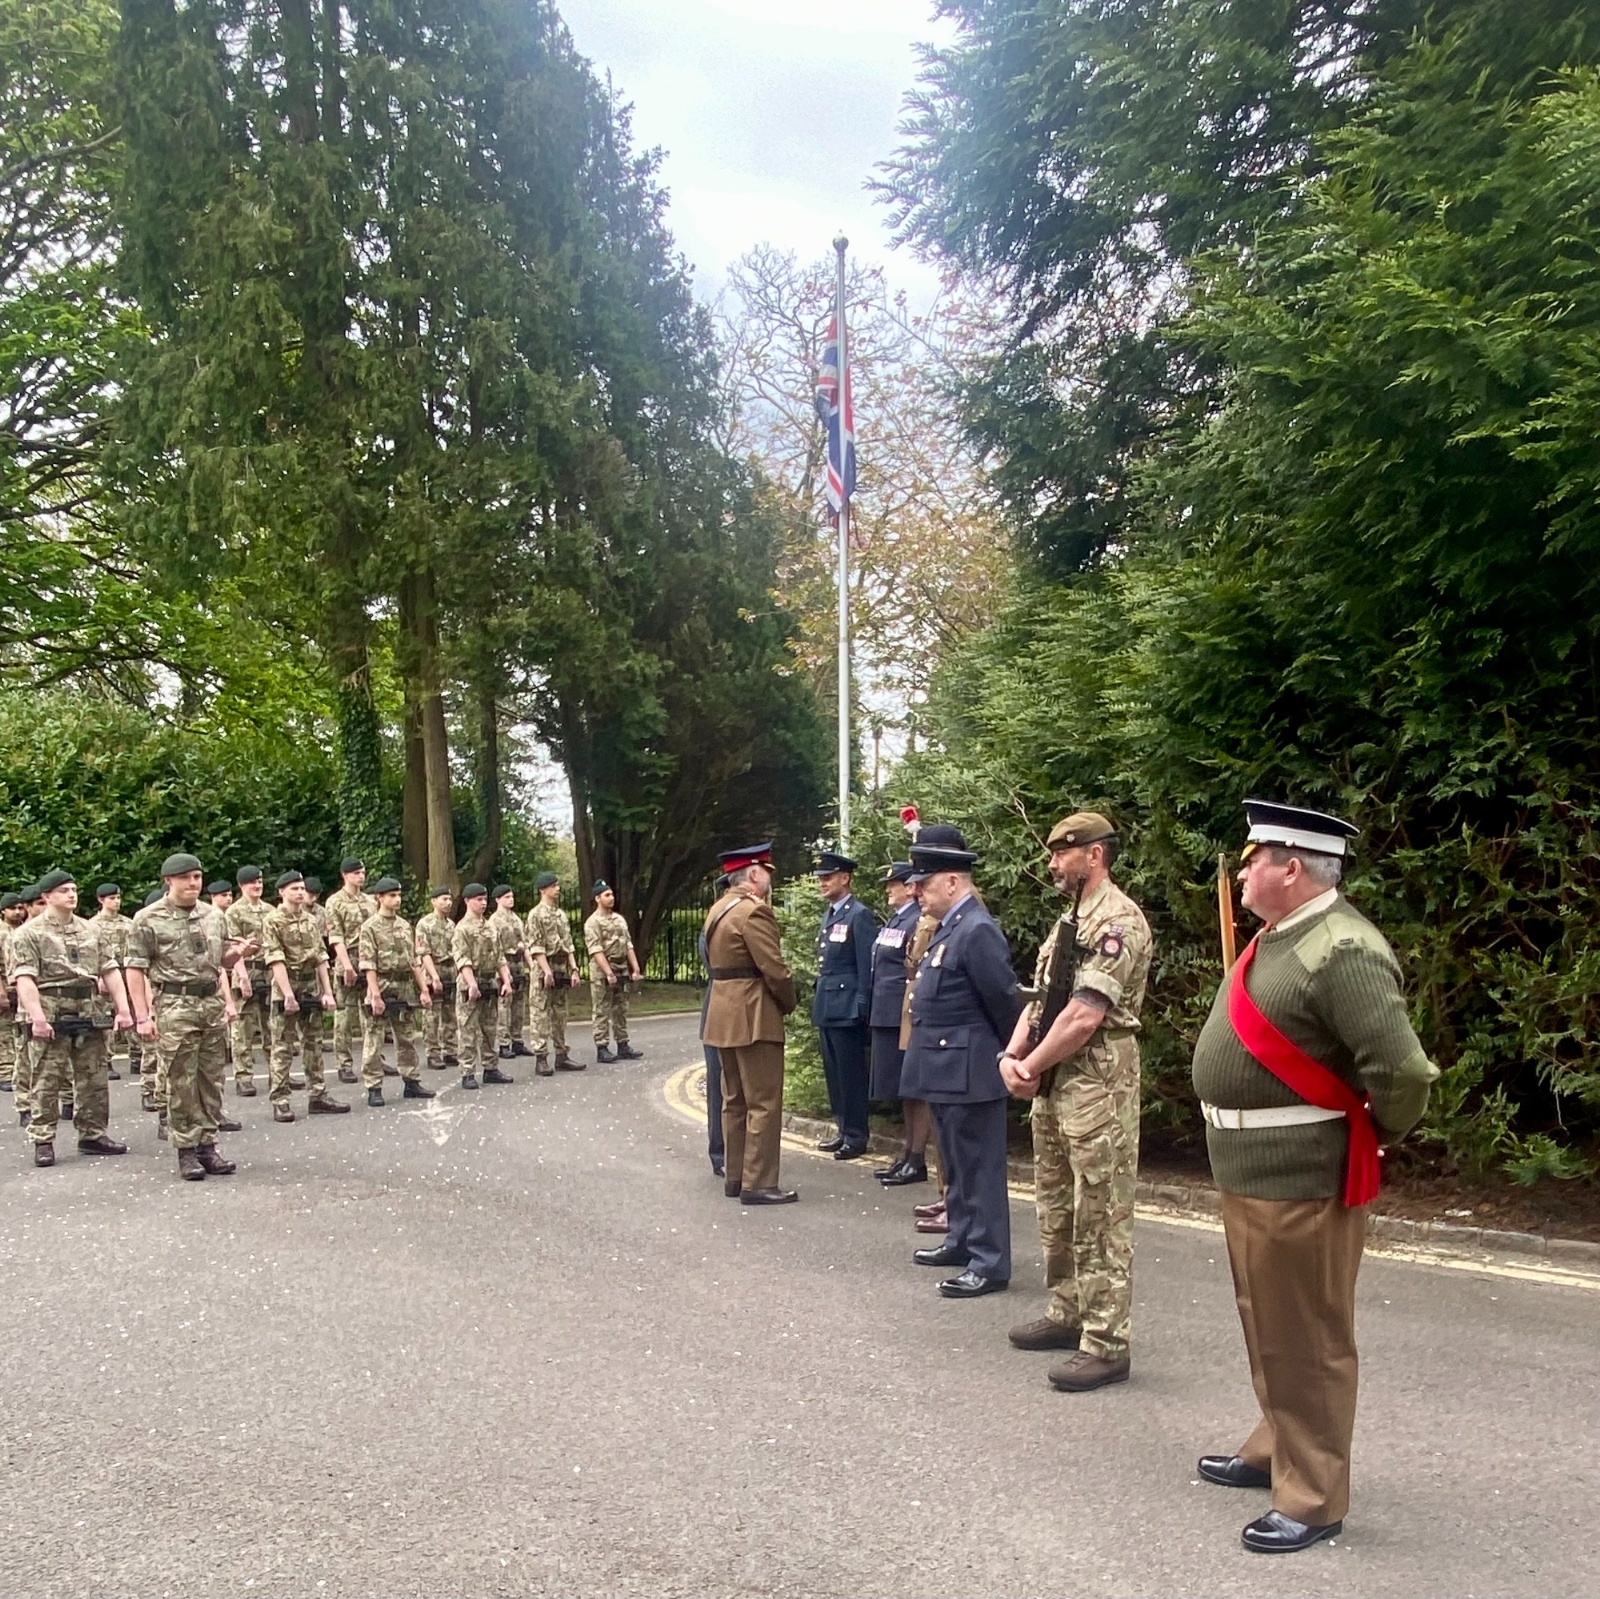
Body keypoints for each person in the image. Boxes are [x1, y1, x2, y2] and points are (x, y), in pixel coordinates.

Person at [1190, 799, 1438, 1554]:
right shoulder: (1283, 937)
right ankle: (1278, 1443)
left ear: (1290, 866)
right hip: (1251, 1170)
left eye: (1251, 858)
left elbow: (1400, 1071)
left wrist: (1369, 1138)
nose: (1240, 871)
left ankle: (1315, 1493)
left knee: (1310, 1336)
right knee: (1267, 1322)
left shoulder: (1343, 948)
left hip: (1300, 1175)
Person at [1000, 811, 1152, 1393]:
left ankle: (1107, 1342)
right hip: (1057, 1081)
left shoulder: (1117, 922)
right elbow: (1040, 1002)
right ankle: (1068, 1312)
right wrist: (1011, 1058)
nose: (1052, 862)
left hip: (1097, 1084)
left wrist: (1030, 1067)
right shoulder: (1068, 922)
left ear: (1095, 855)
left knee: (1102, 1212)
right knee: (1056, 1204)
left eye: (1063, 852)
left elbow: (1086, 1014)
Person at [902, 828, 1022, 1298]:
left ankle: (990, 1260)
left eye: (925, 884)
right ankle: (962, 1239)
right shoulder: (951, 926)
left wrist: (1007, 1056)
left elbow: (1005, 1004)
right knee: (954, 1162)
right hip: (945, 1068)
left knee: (979, 1167)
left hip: (971, 1068)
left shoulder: (977, 930)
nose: (917, 892)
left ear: (952, 882)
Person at [125, 853, 254, 1181]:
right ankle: (186, 1150)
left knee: (210, 1078)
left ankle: (207, 1146)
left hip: (209, 1002)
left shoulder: (213, 916)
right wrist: (142, 1015)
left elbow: (221, 959)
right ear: (168, 881)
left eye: (197, 877)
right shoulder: (147, 919)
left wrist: (237, 955)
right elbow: (135, 969)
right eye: (185, 878)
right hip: (174, 1004)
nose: (193, 883)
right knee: (180, 1080)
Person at [10, 869, 132, 1166]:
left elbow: (110, 970)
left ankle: (92, 1134)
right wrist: (37, 1017)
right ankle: (43, 1138)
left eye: (74, 889)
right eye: (64, 890)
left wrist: (124, 1008)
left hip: (88, 1007)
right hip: (50, 1008)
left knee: (93, 1077)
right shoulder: (29, 933)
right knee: (46, 1079)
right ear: (47, 896)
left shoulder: (92, 930)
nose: (71, 895)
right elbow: (24, 978)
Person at [700, 844, 798, 1205]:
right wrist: (788, 1002)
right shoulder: (753, 912)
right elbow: (774, 968)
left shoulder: (717, 910)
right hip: (754, 1013)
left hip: (722, 1012)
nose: (770, 878)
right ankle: (759, 1183)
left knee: (734, 1100)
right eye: (767, 871)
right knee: (764, 1101)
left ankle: (736, 1176)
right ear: (753, 874)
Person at [260, 871, 345, 1121]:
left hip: (310, 987)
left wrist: (327, 992)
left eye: (301, 888)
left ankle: (318, 1095)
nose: (300, 892)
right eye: (294, 888)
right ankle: (281, 1100)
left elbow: (320, 957)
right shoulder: (273, 920)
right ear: (282, 892)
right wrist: (287, 995)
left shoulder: (310, 920)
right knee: (282, 1047)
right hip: (286, 986)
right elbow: (275, 959)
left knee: (314, 1044)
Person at [810, 849, 879, 1160]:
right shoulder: (831, 913)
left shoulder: (858, 914)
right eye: (821, 878)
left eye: (828, 877)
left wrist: (863, 1004)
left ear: (845, 878)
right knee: (834, 1073)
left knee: (851, 1075)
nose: (823, 883)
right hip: (829, 1003)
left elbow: (866, 965)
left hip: (848, 1004)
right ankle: (842, 1129)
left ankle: (856, 1134)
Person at [869, 861, 928, 1185]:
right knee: (904, 1089)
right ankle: (908, 1152)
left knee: (916, 1088)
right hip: (888, 1011)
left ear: (909, 886)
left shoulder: (916, 918)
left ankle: (916, 1157)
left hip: (903, 1012)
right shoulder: (897, 919)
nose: (887, 888)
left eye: (894, 883)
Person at [357, 876, 435, 1106]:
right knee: (374, 1038)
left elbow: (414, 962)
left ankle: (411, 1081)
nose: (397, 899)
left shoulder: (403, 925)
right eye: (392, 895)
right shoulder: (369, 927)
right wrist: (375, 994)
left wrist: (423, 989)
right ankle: (374, 1086)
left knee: (406, 1037)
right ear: (379, 898)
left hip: (402, 987)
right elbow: (368, 963)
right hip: (381, 983)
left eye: (398, 895)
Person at [451, 884, 513, 1089]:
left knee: (489, 1028)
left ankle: (491, 1068)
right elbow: (462, 960)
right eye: (478, 899)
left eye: (485, 898)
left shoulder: (490, 927)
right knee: (468, 1029)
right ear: (467, 901)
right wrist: (471, 984)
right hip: (471, 983)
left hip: (489, 981)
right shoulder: (462, 929)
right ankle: (468, 1072)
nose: (483, 902)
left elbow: (499, 957)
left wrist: (506, 979)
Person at [324, 857, 375, 1085]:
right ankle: (343, 1063)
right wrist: (346, 965)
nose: (361, 876)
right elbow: (336, 938)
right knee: (344, 1016)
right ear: (345, 875)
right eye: (356, 873)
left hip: (369, 958)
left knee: (371, 1014)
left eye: (362, 872)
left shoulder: (370, 901)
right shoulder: (335, 902)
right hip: (349, 957)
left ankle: (372, 1058)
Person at [525, 871, 582, 1073]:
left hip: (560, 967)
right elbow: (536, 946)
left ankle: (562, 1054)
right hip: (544, 967)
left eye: (557, 885)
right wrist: (546, 970)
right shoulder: (536, 915)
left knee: (560, 1013)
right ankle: (541, 1057)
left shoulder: (561, 915)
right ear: (543, 890)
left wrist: (574, 968)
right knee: (540, 1013)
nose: (557, 889)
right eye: (553, 886)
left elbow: (568, 945)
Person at [226, 866, 272, 1097]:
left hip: (268, 971)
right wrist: (242, 976)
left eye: (260, 881)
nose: (257, 886)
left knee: (273, 1026)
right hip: (247, 969)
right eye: (252, 882)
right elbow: (235, 947)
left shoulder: (270, 910)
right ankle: (243, 1076)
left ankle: (277, 1073)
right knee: (242, 1029)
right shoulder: (234, 912)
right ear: (242, 886)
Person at [584, 880, 643, 1062]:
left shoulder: (619, 919)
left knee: (621, 1008)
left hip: (621, 968)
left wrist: (635, 966)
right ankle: (602, 1047)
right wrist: (608, 972)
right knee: (602, 1008)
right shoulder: (592, 922)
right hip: (603, 971)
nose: (611, 898)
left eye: (612, 895)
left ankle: (623, 1044)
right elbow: (596, 950)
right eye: (607, 895)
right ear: (597, 898)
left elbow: (628, 944)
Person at [698, 874, 730, 1176]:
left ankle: (726, 1152)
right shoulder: (719, 922)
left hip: (720, 1013)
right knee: (721, 1085)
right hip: (724, 1013)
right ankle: (721, 1152)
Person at [91, 884, 135, 1080]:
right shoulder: (93, 925)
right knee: (105, 1018)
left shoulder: (129, 923)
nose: (116, 902)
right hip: (106, 973)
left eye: (118, 898)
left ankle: (137, 1055)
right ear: (101, 900)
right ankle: (106, 1059)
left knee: (133, 1013)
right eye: (111, 898)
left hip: (127, 971)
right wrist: (99, 976)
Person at [415, 886, 458, 1069]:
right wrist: (434, 977)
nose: (447, 903)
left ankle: (450, 1050)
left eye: (449, 899)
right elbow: (424, 953)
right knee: (432, 1016)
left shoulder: (451, 925)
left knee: (450, 1015)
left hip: (451, 970)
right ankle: (433, 1053)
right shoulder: (425, 924)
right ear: (433, 901)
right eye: (443, 899)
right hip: (434, 969)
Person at [489, 885, 531, 1060]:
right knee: (504, 1006)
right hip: (504, 963)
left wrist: (531, 966)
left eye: (512, 896)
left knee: (519, 1006)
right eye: (506, 897)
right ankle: (503, 1043)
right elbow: (495, 949)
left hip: (518, 963)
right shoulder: (494, 921)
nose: (511, 900)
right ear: (498, 900)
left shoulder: (516, 919)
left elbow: (525, 944)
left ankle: (517, 1040)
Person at [0, 891, 23, 1099]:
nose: (17, 912)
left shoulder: (23, 930)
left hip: (20, 987)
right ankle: (5, 1073)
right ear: (3, 911)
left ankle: (17, 1070)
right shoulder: (1, 932)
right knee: (5, 1034)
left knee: (19, 1031)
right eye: (12, 909)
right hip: (4, 987)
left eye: (19, 908)